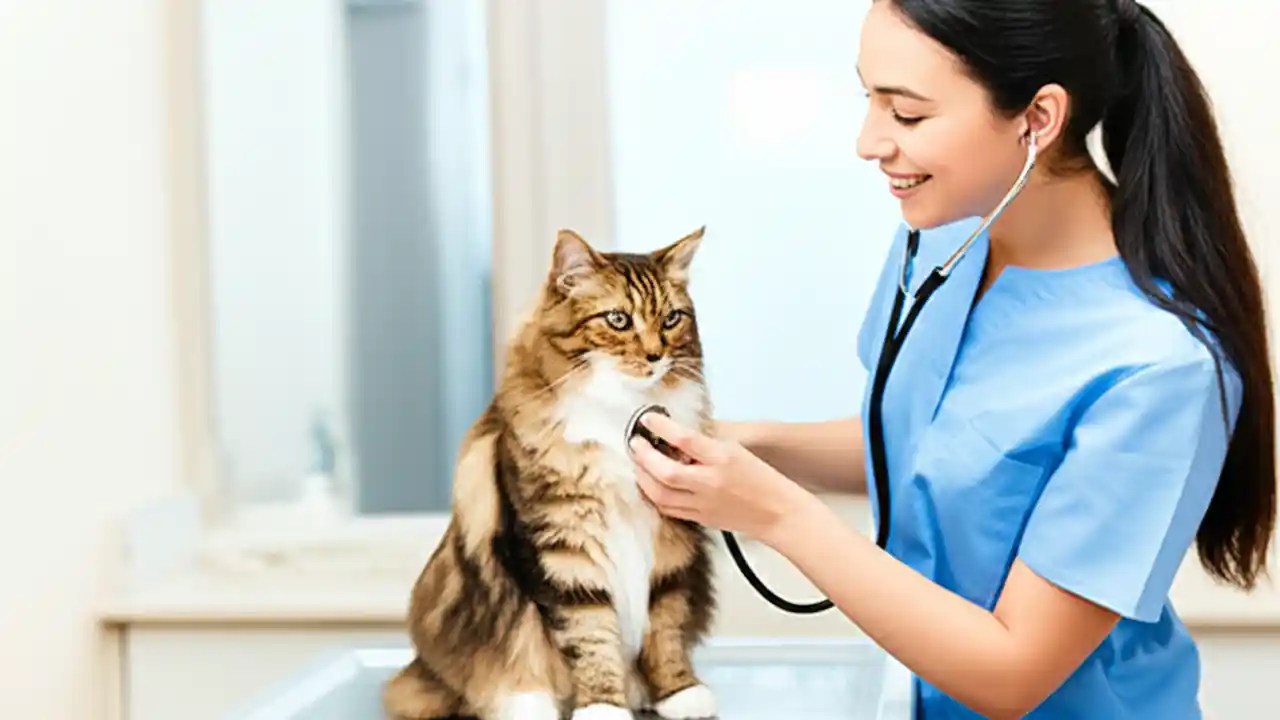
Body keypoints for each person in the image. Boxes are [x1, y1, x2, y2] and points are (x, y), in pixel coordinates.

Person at [627, 1, 1276, 718]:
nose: (868, 141)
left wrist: (774, 513)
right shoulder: (942, 241)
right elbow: (932, 443)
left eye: (906, 115)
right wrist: (752, 446)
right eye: (867, 98)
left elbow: (1011, 673)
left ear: (1038, 118)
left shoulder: (1160, 366)